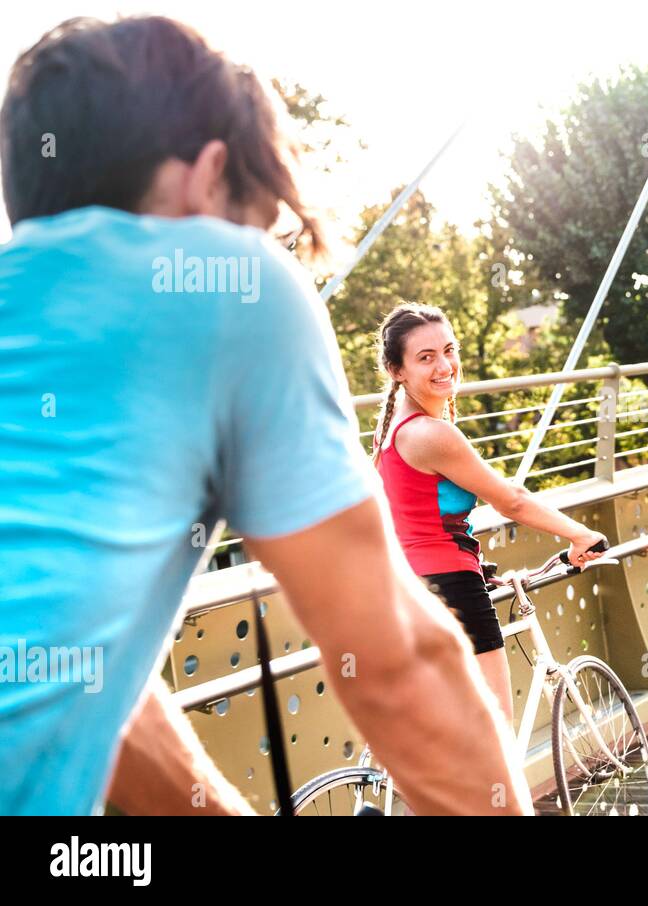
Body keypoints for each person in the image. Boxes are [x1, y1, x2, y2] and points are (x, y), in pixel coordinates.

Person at [0, 15, 527, 815]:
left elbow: (83, 674)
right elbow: (397, 664)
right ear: (209, 175)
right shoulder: (221, 282)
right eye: (259, 223)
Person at [370, 302, 607, 719]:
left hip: (407, 586)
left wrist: (476, 565)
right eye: (426, 357)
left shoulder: (391, 429)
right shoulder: (431, 434)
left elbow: (411, 515)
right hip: (448, 588)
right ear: (396, 370)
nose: (445, 365)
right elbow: (510, 500)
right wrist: (581, 536)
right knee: (495, 729)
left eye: (449, 350)